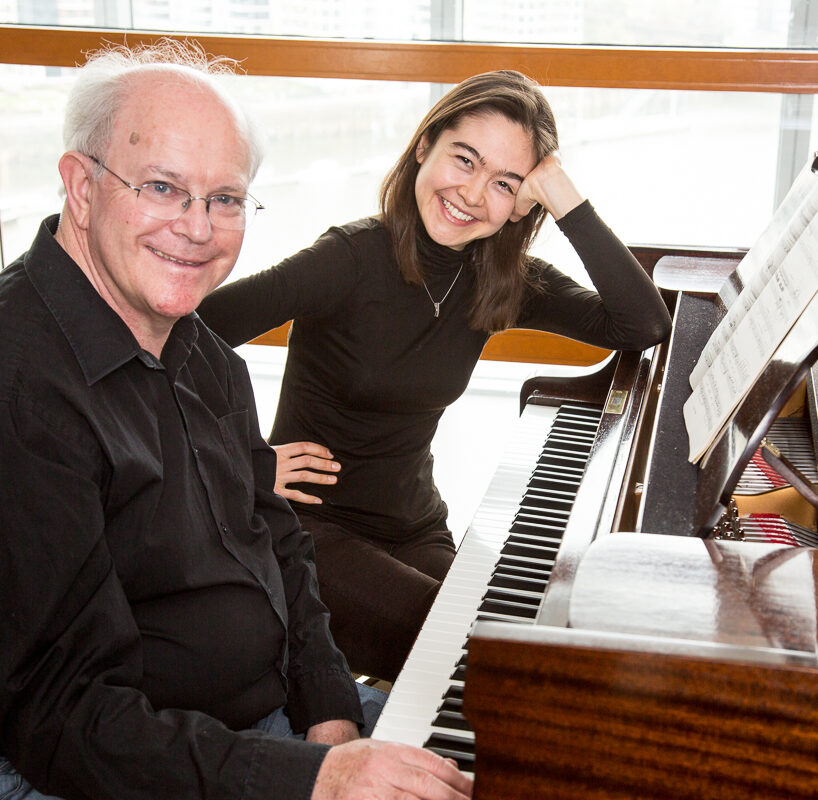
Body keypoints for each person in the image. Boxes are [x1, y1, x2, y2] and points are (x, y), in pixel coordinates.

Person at [0, 40, 473, 800]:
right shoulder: (21, 386)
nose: (198, 229)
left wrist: (329, 710)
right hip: (110, 766)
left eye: (225, 198)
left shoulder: (199, 348)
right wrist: (315, 779)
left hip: (263, 726)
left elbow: (277, 538)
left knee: (513, 745)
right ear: (81, 187)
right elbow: (61, 719)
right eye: (162, 188)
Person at [197, 70, 673, 683]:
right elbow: (181, 335)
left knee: (518, 630)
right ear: (424, 146)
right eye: (464, 160)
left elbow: (643, 325)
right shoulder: (348, 258)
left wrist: (566, 200)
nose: (472, 194)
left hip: (415, 524)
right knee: (479, 661)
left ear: (521, 203)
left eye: (503, 183)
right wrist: (238, 462)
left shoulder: (501, 280)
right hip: (313, 526)